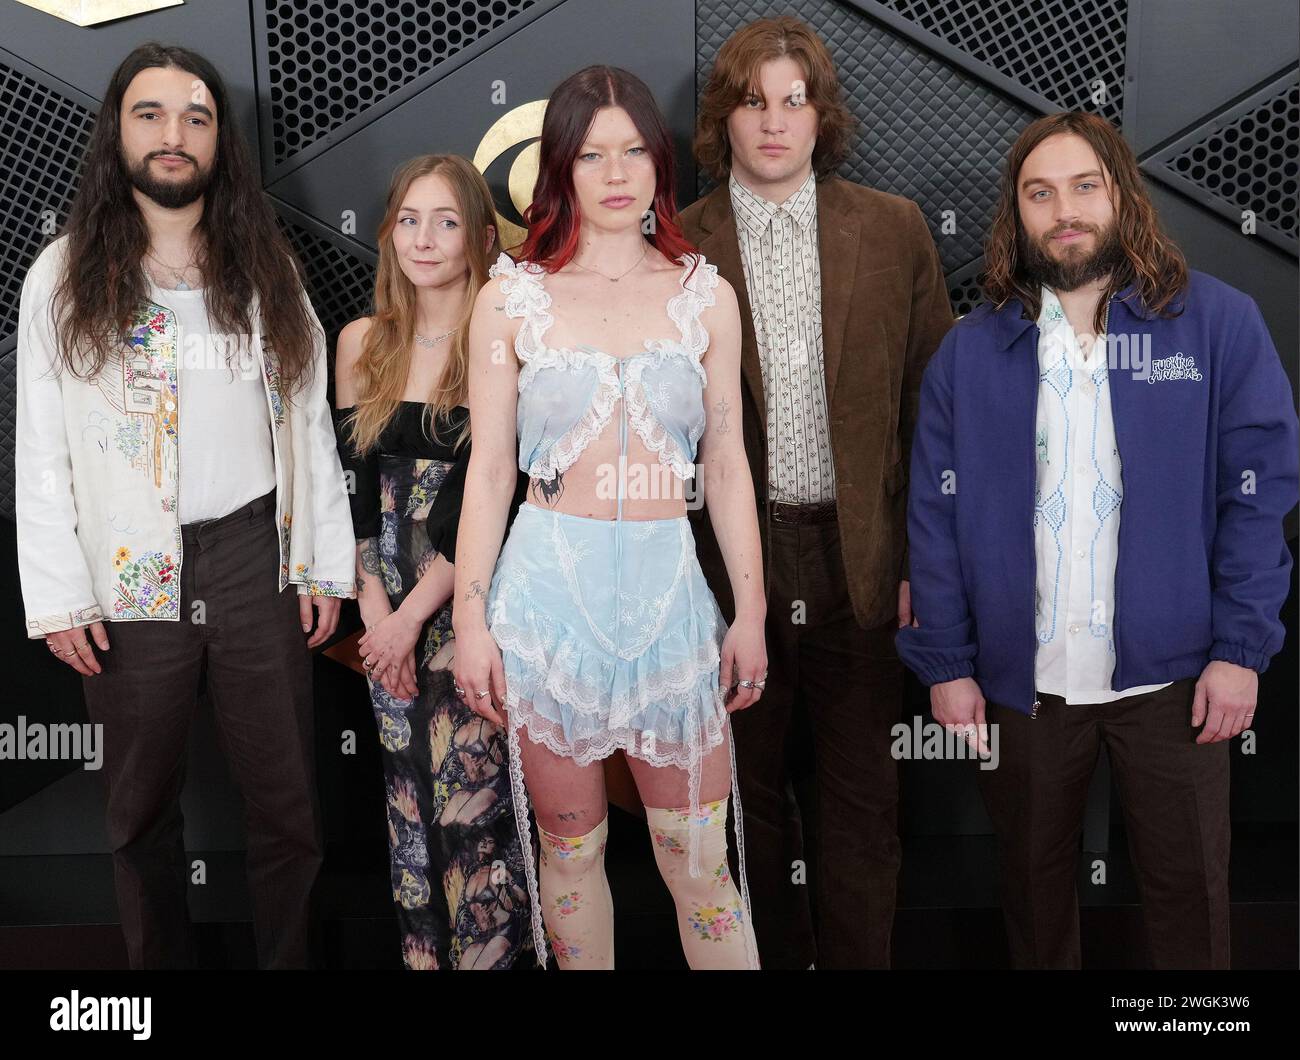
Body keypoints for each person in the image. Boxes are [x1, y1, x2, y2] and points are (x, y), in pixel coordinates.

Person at [896, 111, 1299, 969]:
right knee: (1033, 897)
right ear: (1018, 212)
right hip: (1022, 683)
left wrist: (1240, 650)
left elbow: (1257, 500)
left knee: (1191, 896)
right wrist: (948, 663)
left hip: (1177, 676)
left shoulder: (1217, 326)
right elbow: (934, 516)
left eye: (1085, 186)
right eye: (1040, 194)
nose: (1064, 210)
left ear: (1121, 194)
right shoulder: (969, 353)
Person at [14, 42, 355, 968]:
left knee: (288, 806)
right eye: (152, 114)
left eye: (196, 117)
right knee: (136, 813)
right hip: (126, 566)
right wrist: (59, 595)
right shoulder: (63, 273)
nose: (174, 135)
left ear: (218, 143)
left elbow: (308, 424)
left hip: (254, 553)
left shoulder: (266, 265)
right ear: (117, 131)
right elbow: (41, 449)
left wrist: (322, 562)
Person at [452, 65, 767, 970]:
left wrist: (749, 612)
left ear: (659, 165)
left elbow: (731, 468)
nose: (617, 172)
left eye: (634, 150)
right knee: (572, 850)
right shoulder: (508, 300)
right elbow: (485, 479)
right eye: (593, 154)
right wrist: (472, 621)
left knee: (701, 864)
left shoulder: (705, 295)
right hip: (547, 596)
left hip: (672, 602)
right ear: (561, 169)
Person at [678, 15, 953, 968]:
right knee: (742, 802)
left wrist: (927, 564)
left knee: (863, 802)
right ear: (726, 116)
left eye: (794, 101)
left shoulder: (892, 229)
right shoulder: (678, 242)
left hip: (861, 555)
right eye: (754, 102)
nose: (774, 123)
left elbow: (932, 411)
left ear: (820, 116)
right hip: (728, 562)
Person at [333, 154, 532, 970]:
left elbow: (493, 490)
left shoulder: (502, 341)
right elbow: (351, 494)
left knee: (474, 821)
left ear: (483, 237)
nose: (424, 238)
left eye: (446, 221)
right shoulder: (360, 343)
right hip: (385, 619)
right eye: (409, 219)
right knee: (409, 814)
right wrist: (375, 613)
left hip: (473, 605)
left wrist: (415, 616)